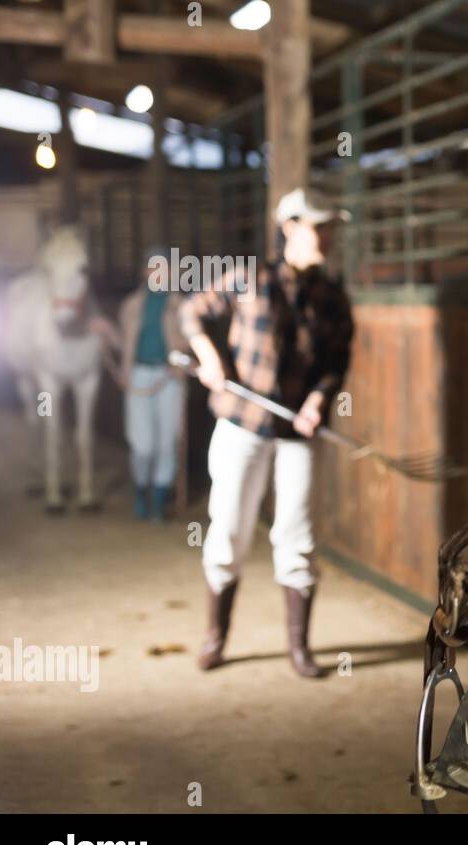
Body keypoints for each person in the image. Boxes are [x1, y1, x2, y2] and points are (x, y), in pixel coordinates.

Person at [181, 188, 355, 678]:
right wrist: (210, 357)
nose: (326, 235)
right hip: (242, 422)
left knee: (297, 535)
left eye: (330, 226)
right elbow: (191, 311)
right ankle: (216, 637)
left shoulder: (332, 296)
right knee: (229, 529)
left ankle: (299, 649)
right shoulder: (249, 277)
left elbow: (337, 359)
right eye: (317, 225)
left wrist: (320, 399)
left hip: (298, 429)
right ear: (290, 227)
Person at [99, 248, 188, 520]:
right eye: (153, 267)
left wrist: (183, 358)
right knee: (142, 445)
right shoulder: (131, 305)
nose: (158, 273)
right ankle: (141, 490)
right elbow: (123, 343)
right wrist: (105, 330)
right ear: (145, 272)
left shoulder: (181, 306)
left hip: (169, 377)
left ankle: (158, 502)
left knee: (167, 442)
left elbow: (190, 340)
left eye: (163, 268)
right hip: (138, 375)